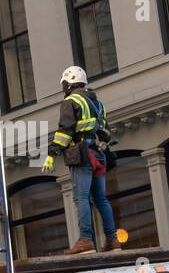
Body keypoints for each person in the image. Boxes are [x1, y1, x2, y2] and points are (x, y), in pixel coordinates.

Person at [42, 66, 121, 254]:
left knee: (81, 197)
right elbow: (106, 132)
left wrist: (51, 154)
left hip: (82, 155)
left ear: (69, 81)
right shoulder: (98, 104)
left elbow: (65, 132)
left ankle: (85, 240)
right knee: (101, 198)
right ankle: (112, 240)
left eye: (64, 83)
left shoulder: (70, 102)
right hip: (99, 154)